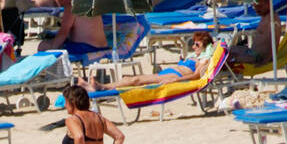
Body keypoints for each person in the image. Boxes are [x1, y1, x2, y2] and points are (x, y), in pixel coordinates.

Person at [81, 33, 214, 90]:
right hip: (171, 72)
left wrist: (176, 80)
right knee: (131, 78)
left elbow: (196, 76)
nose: (193, 47)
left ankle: (102, 87)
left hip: (176, 76)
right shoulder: (194, 56)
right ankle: (97, 88)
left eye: (197, 44)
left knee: (136, 80)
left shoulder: (203, 60)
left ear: (204, 45)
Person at [38, 0, 108, 55]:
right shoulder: (90, 4)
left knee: (42, 45)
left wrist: (53, 47)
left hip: (86, 48)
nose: (64, 8)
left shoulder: (71, 7)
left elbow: (63, 32)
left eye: (63, 5)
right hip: (103, 47)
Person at [227, 0, 282, 67]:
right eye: (254, 6)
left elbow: (273, 42)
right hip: (252, 53)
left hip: (259, 58)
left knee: (229, 56)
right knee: (228, 49)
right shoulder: (265, 16)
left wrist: (265, 60)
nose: (257, 9)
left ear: (269, 3)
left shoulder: (272, 19)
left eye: (260, 6)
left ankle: (223, 73)